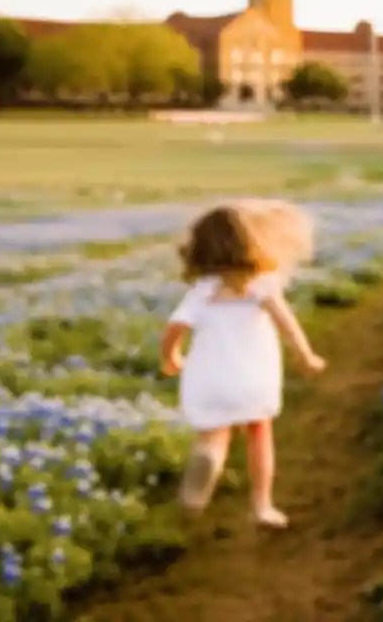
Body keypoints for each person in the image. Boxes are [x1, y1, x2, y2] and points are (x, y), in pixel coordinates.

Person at [159, 201, 326, 528]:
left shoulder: (202, 292)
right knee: (259, 432)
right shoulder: (262, 286)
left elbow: (173, 330)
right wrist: (306, 355)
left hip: (210, 377)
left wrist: (171, 357)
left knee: (213, 435)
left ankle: (204, 472)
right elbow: (287, 324)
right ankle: (262, 504)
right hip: (253, 377)